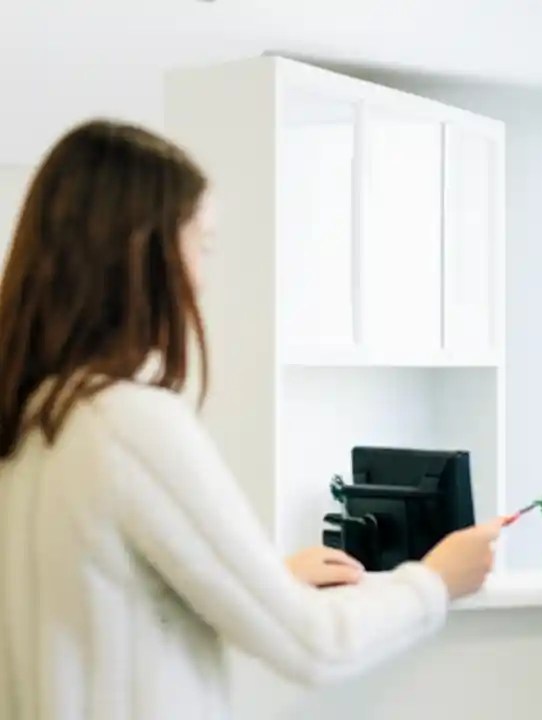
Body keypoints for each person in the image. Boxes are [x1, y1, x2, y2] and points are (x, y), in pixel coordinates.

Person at [0, 119, 504, 720]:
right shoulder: (128, 423)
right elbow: (314, 644)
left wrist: (262, 582)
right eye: (200, 245)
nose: (202, 278)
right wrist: (436, 580)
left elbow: (99, 612)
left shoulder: (31, 418)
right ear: (145, 251)